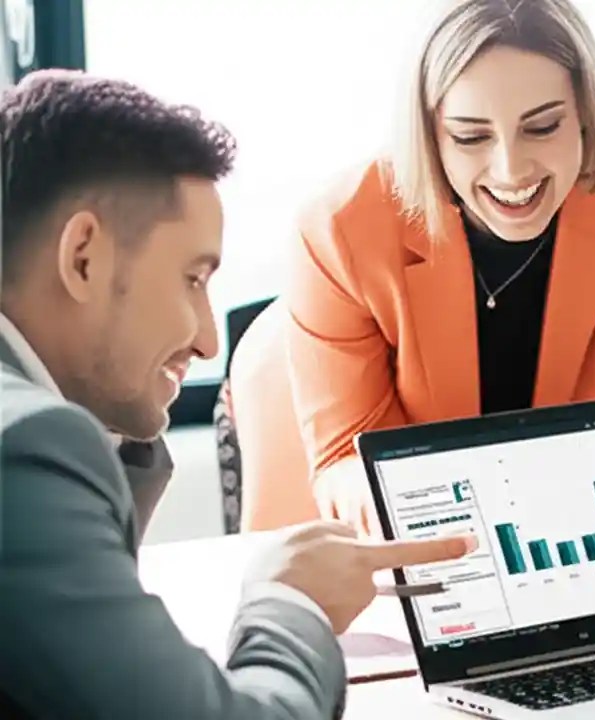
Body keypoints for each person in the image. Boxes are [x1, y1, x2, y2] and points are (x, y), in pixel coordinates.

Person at [0, 70, 476, 719]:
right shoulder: (28, 449)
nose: (206, 340)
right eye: (192, 279)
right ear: (83, 256)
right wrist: (288, 603)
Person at [225, 0, 595, 534]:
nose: (512, 170)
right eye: (470, 136)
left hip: (526, 518)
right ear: (429, 132)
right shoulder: (341, 227)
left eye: (543, 128)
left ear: (586, 113)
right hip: (388, 527)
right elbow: (348, 459)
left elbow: (591, 431)